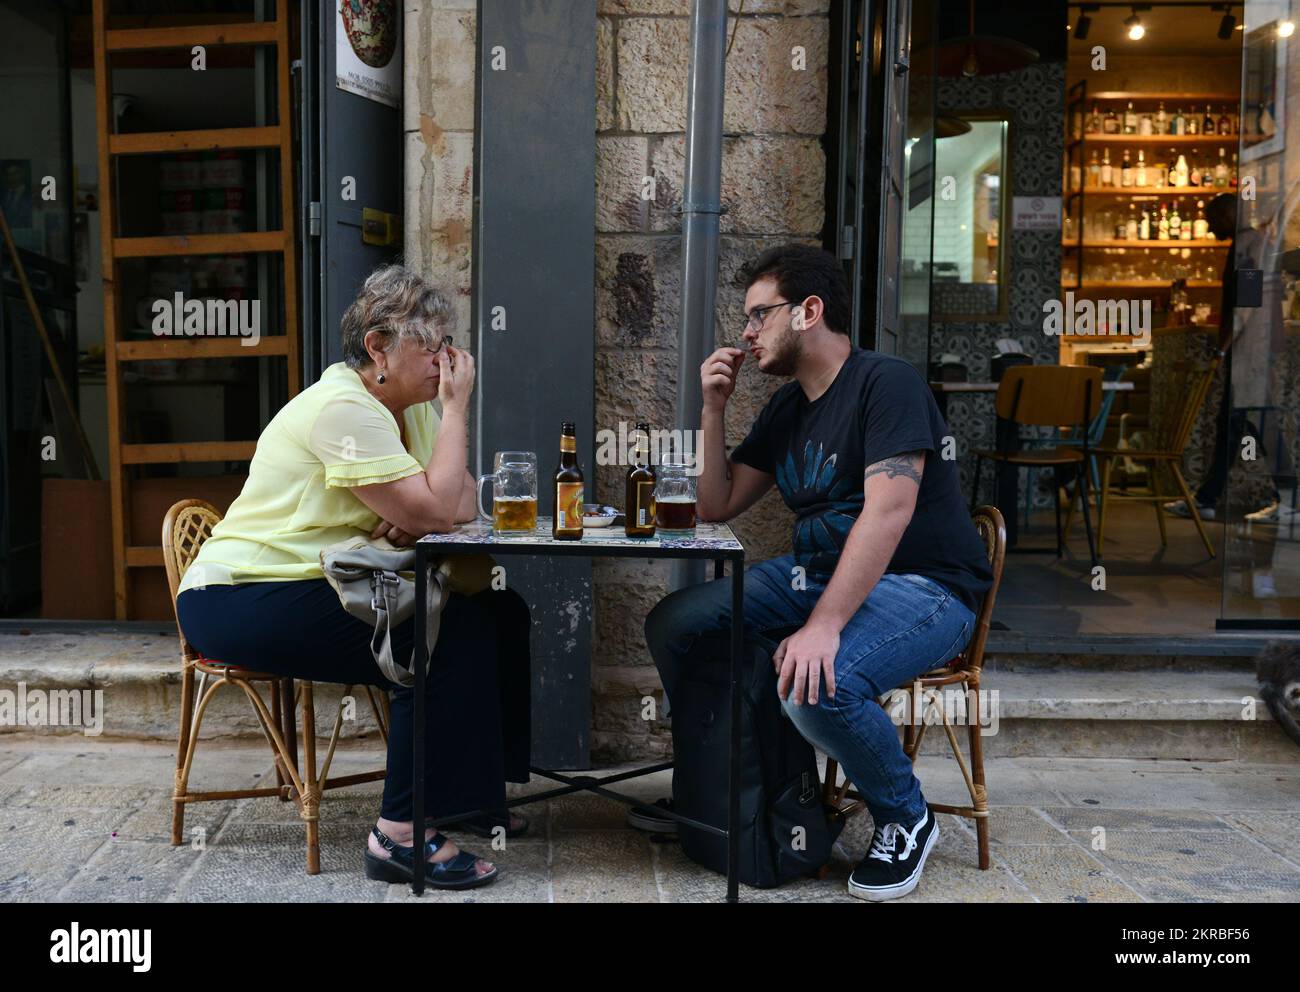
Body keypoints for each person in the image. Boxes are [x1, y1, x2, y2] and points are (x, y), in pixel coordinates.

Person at [634, 244, 993, 901]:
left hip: (927, 587)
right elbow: (714, 504)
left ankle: (905, 817)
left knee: (816, 684)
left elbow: (888, 515)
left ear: (810, 311)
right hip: (816, 576)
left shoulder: (885, 384)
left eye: (758, 315)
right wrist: (713, 409)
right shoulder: (788, 409)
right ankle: (717, 783)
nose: (745, 332)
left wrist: (825, 627)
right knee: (677, 623)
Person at [176, 264, 530, 889]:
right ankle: (398, 837)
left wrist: (425, 504)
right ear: (378, 347)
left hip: (317, 581)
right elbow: (438, 508)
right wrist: (455, 416)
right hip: (240, 594)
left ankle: (467, 797)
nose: (447, 360)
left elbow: (464, 499)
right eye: (432, 345)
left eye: (450, 343)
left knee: (499, 612)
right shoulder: (343, 408)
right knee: (426, 632)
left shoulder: (411, 407)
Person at [1164, 193, 1294, 535]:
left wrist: (1223, 347)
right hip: (1251, 349)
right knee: (1235, 425)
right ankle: (1208, 498)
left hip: (1250, 351)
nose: (1208, 224)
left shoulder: (1248, 248)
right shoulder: (1249, 244)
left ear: (1228, 214)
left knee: (1253, 424)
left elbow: (1248, 303)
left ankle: (1290, 499)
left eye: (1212, 217)